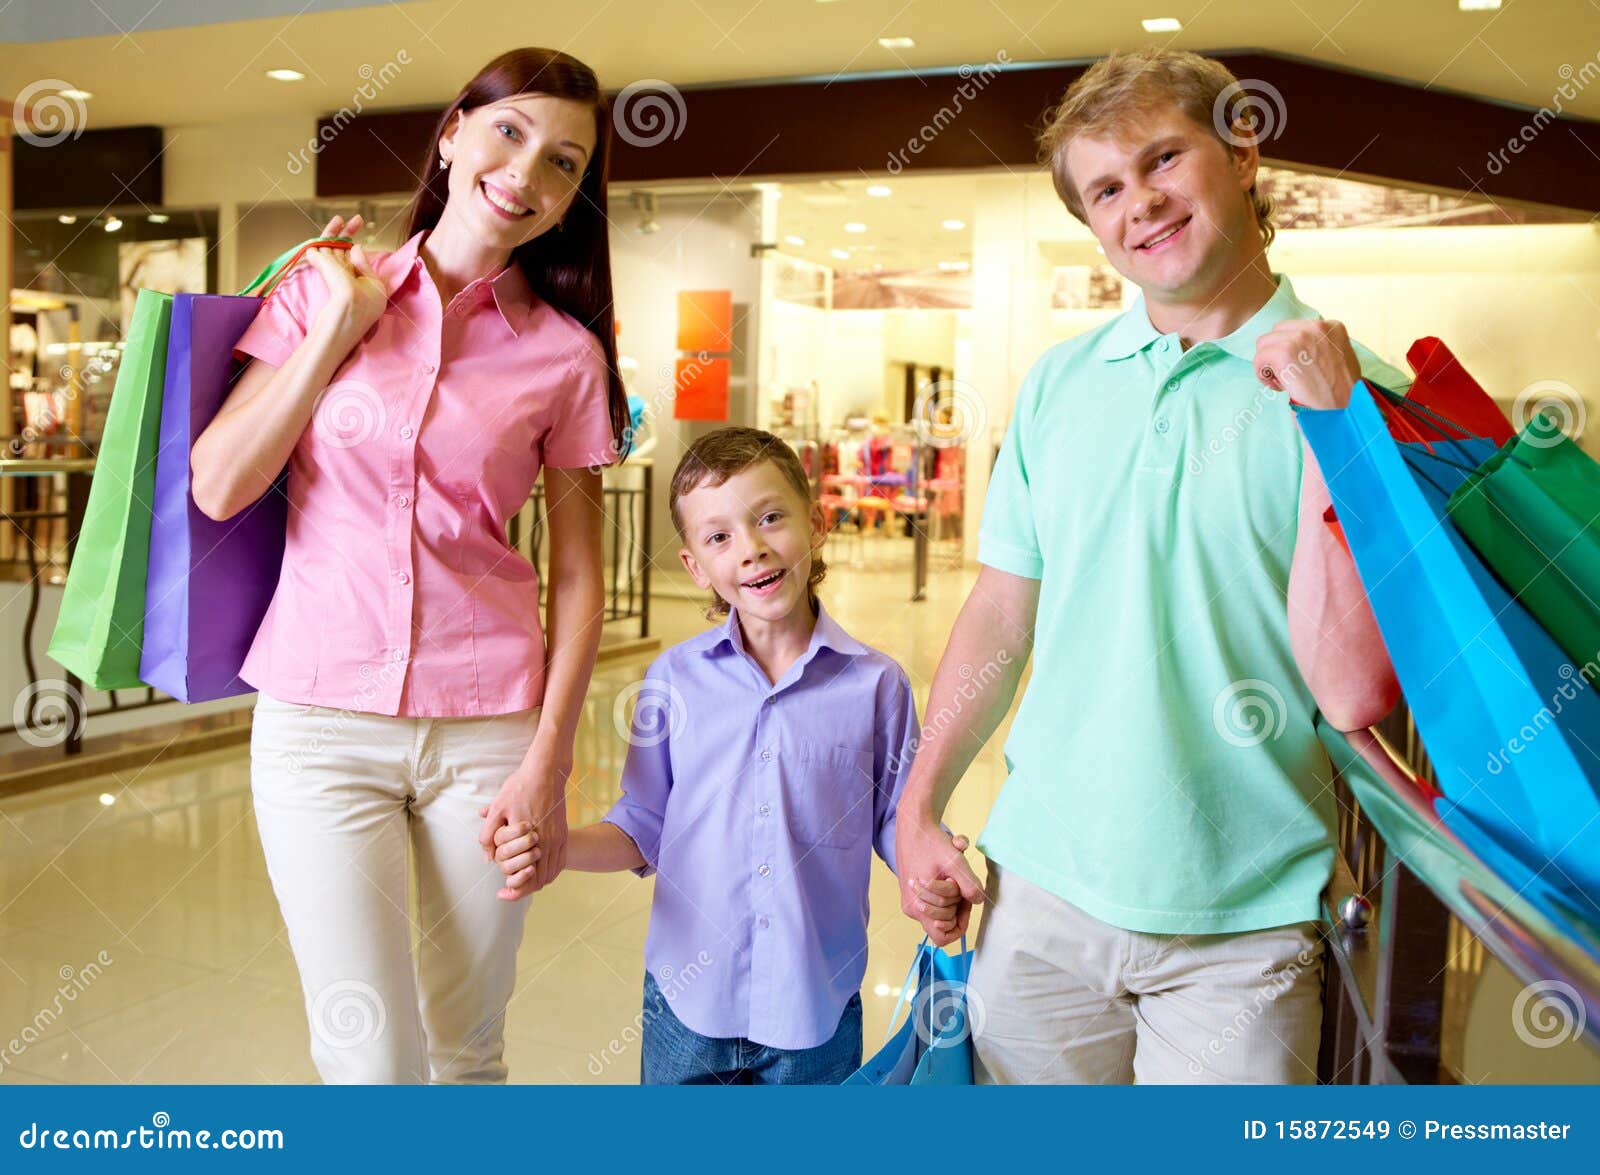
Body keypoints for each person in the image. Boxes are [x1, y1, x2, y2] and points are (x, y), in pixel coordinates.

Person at [894, 48, 1410, 1084]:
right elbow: (1001, 612)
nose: (1141, 203)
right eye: (1106, 189)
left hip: (1243, 921)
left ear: (1243, 150)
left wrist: (1335, 427)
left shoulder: (1367, 398)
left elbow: (1355, 684)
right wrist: (918, 806)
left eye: (1162, 158)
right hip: (1037, 891)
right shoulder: (1057, 384)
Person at [189, 48, 631, 1084]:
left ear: (574, 198)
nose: (527, 172)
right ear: (452, 134)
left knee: (466, 1045)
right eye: (509, 132)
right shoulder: (323, 292)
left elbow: (577, 579)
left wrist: (548, 765)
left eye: (564, 162)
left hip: (488, 734)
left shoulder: (565, 356)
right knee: (368, 1054)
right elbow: (219, 483)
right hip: (319, 726)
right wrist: (335, 330)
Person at [489, 428, 955, 1083]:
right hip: (687, 1004)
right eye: (719, 537)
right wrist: (561, 846)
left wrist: (929, 872)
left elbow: (896, 825)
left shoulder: (876, 685)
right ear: (695, 566)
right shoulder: (674, 681)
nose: (752, 548)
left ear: (816, 522)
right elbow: (644, 824)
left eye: (770, 517)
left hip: (813, 1008)